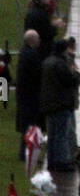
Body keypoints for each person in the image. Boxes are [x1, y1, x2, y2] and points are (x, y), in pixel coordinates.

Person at [39, 36, 80, 173]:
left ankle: (52, 161)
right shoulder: (61, 64)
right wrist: (76, 73)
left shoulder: (48, 62)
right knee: (61, 134)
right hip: (61, 103)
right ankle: (62, 162)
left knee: (53, 134)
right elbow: (70, 80)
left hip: (49, 103)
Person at [14, 30, 42, 161]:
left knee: (27, 125)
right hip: (29, 96)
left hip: (25, 96)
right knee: (29, 125)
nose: (39, 41)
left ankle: (27, 151)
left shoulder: (25, 53)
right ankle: (26, 152)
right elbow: (37, 74)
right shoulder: (31, 55)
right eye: (37, 38)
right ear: (32, 40)